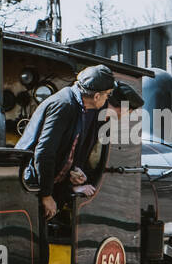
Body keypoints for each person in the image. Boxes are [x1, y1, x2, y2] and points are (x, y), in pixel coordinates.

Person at [16, 64, 114, 220]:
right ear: (96, 96)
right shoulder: (64, 105)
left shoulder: (77, 106)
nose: (107, 98)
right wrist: (46, 195)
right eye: (107, 94)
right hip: (30, 184)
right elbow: (44, 152)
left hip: (39, 184)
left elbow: (64, 150)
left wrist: (73, 172)